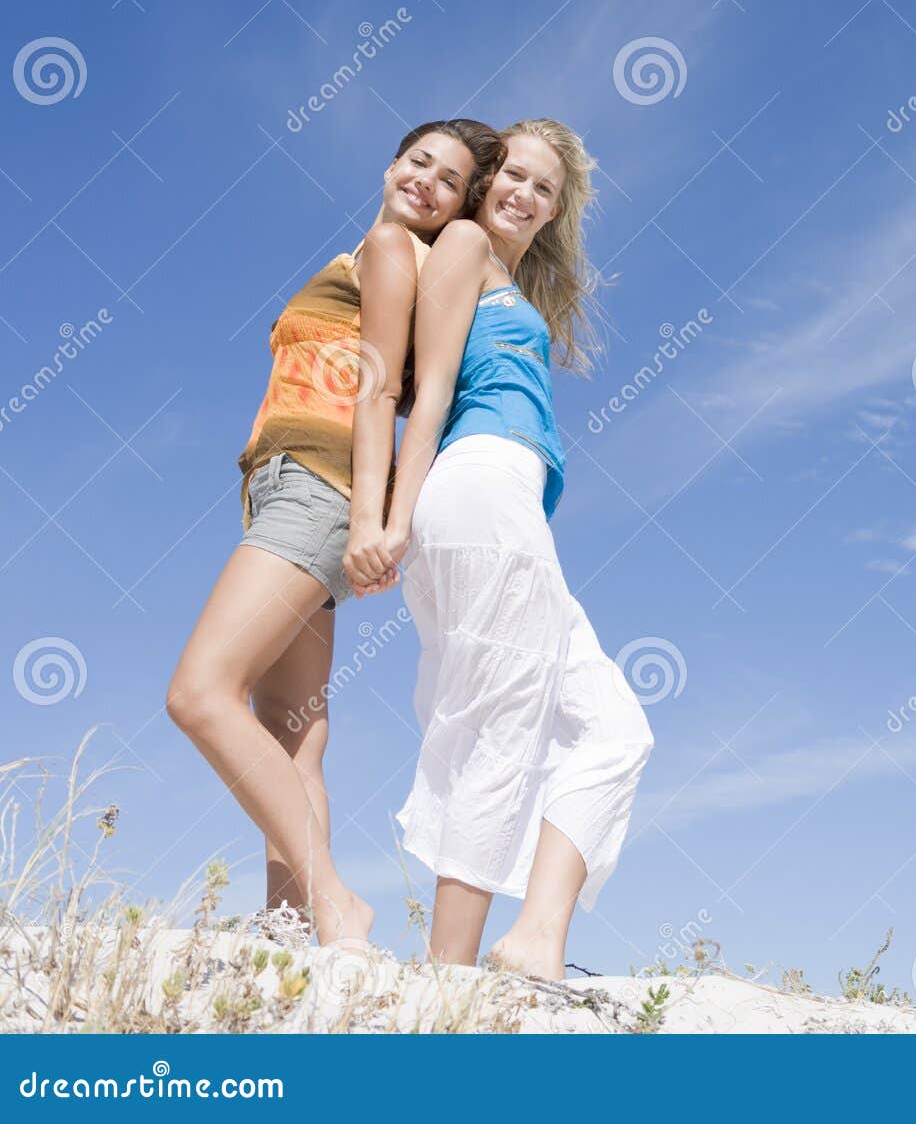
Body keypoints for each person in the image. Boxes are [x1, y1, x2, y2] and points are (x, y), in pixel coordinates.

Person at [166, 120, 504, 949]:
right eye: (418, 160)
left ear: (462, 206)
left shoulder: (400, 251)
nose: (425, 180)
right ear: (390, 163)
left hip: (320, 492)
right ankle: (293, 924)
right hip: (292, 488)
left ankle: (330, 900)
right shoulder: (365, 255)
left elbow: (386, 388)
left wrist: (370, 523)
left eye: (450, 180)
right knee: (292, 728)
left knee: (201, 691)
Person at [364, 119, 654, 978]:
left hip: (509, 500)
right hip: (478, 487)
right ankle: (451, 971)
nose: (524, 195)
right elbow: (435, 388)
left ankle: (533, 939)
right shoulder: (459, 245)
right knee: (502, 716)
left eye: (545, 189)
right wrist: (390, 519)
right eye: (513, 176)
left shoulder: (506, 277)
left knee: (613, 729)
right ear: (487, 181)